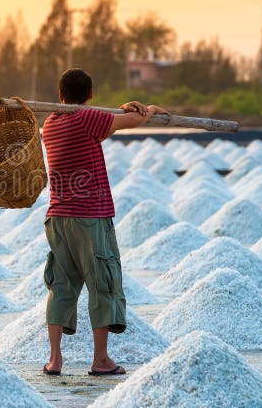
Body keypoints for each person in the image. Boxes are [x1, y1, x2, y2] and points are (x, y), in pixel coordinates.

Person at [41, 68, 167, 377]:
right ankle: (101, 360)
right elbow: (133, 122)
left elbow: (111, 121)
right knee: (103, 283)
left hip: (58, 218)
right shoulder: (87, 119)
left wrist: (124, 107)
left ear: (60, 96)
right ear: (90, 95)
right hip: (90, 216)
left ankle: (54, 360)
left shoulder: (50, 123)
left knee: (61, 286)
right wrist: (148, 110)